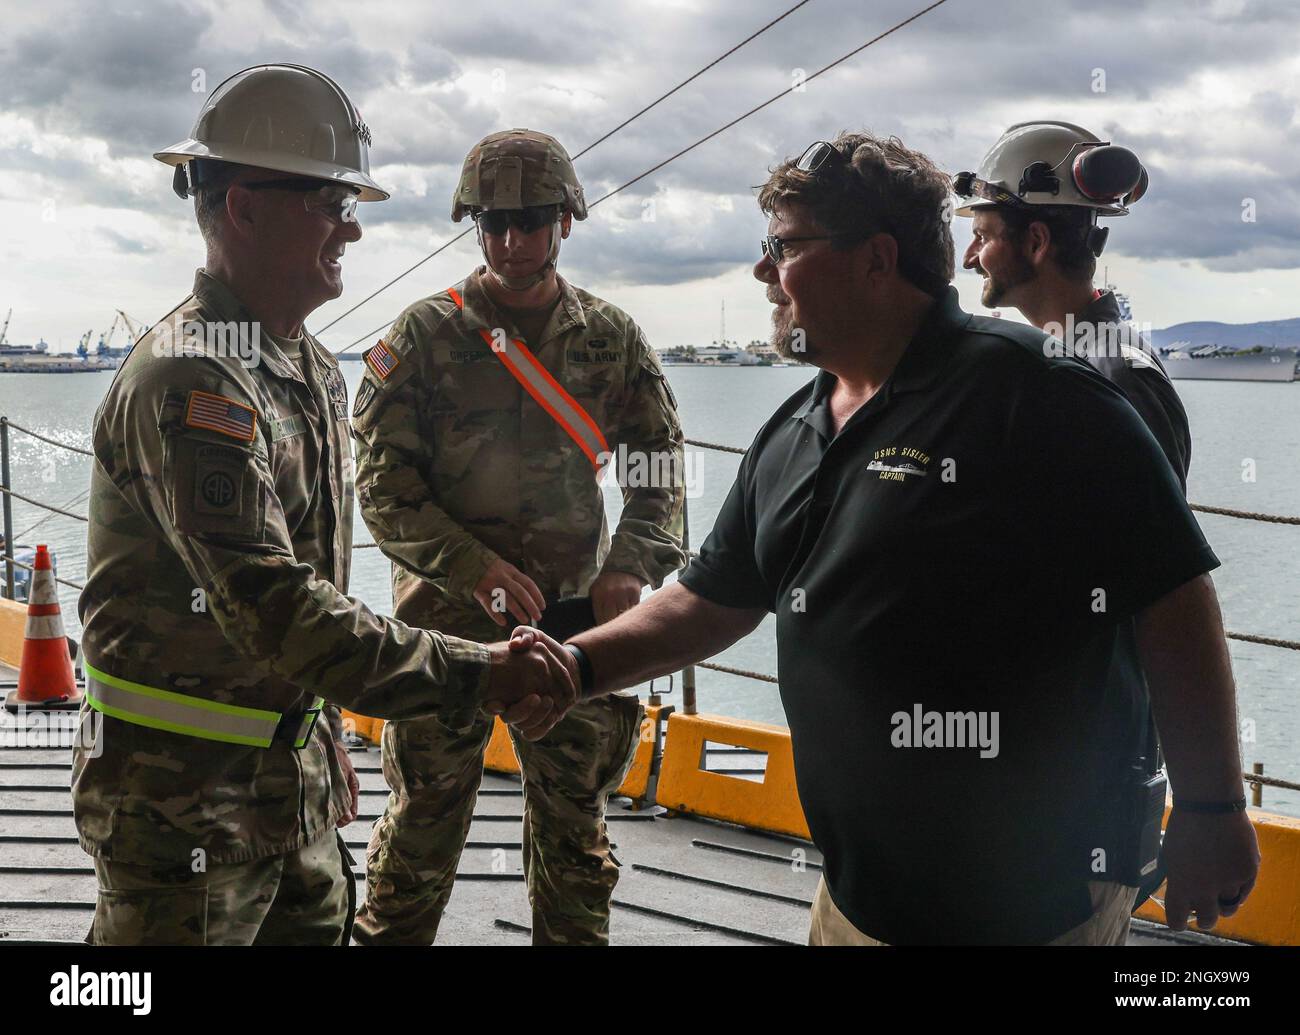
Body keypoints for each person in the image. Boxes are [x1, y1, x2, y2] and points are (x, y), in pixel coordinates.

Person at [550, 131, 1259, 945]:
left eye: (782, 246)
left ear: (876, 260)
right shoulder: (796, 426)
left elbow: (1171, 596)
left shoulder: (1045, 396)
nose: (759, 272)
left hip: (1023, 904)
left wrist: (1211, 809)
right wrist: (576, 665)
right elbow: (711, 599)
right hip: (857, 897)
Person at [73, 65, 574, 947]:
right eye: (329, 200)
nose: (351, 225)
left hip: (288, 793)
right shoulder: (193, 379)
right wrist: (485, 672)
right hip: (183, 813)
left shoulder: (301, 363)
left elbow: (305, 602)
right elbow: (279, 606)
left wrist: (315, 731)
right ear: (244, 207)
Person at [350, 128, 685, 946]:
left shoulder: (611, 339)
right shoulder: (425, 338)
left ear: (566, 219)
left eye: (531, 220)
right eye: (493, 222)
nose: (511, 240)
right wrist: (473, 567)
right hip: (446, 626)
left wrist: (629, 569)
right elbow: (381, 486)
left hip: (576, 627)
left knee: (575, 833)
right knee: (422, 824)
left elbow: (660, 474)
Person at [954, 121, 1190, 488]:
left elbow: (1146, 537)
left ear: (1036, 242)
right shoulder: (1068, 355)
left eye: (982, 237)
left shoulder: (1114, 371)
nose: (969, 259)